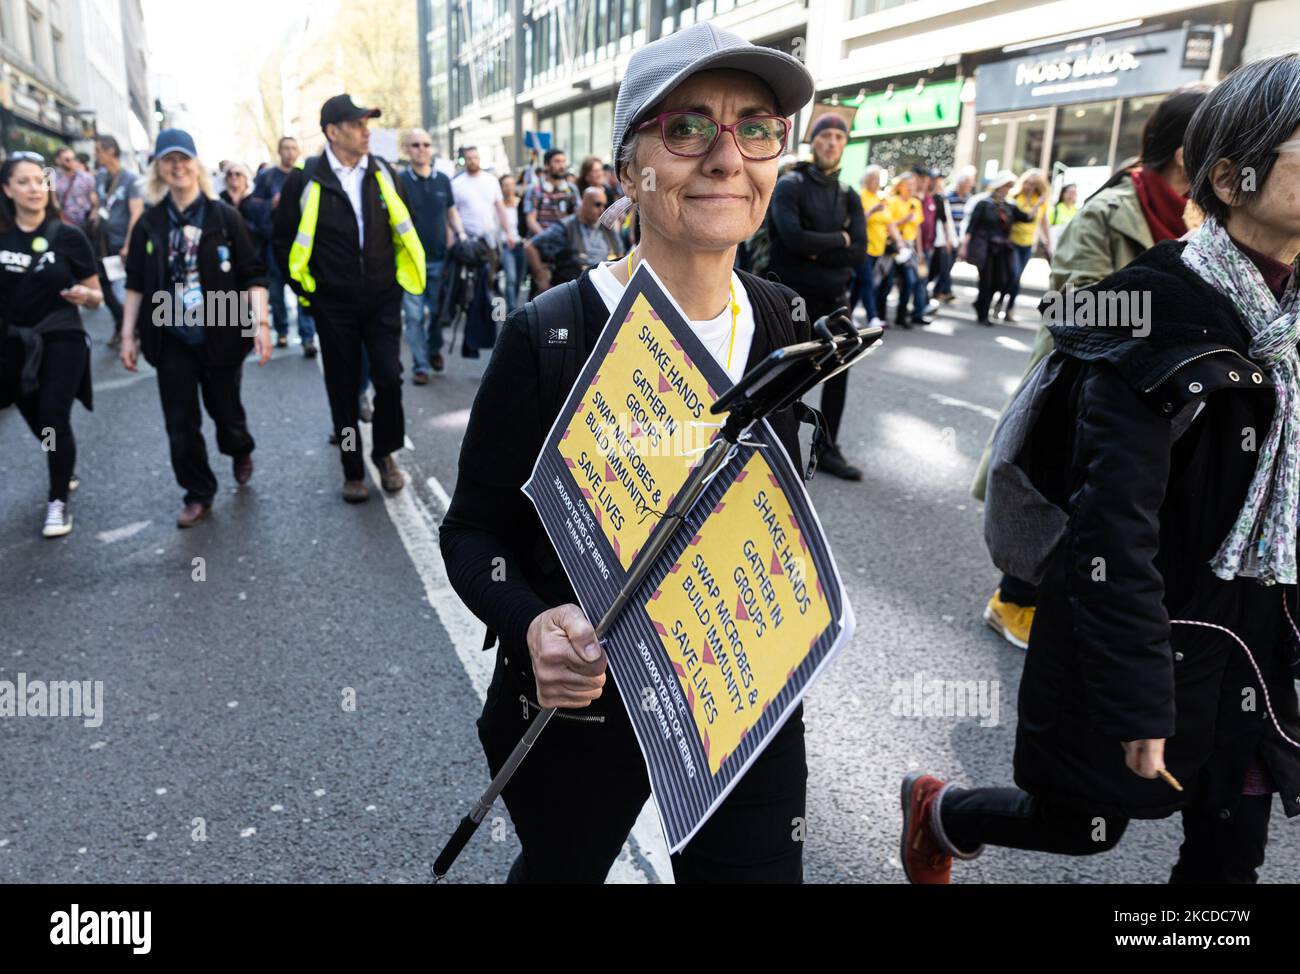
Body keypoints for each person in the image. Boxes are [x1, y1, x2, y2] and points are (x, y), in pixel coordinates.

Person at [903, 53, 1300, 886]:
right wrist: (1136, 698)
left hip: (1257, 635)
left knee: (1231, 852)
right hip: (1151, 630)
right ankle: (942, 811)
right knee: (1081, 826)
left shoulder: (1290, 318)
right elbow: (1112, 530)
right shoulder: (1147, 302)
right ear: (1231, 176)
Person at [441, 21, 823, 884]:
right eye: (687, 126)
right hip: (586, 710)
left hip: (743, 694)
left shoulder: (784, 320)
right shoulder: (550, 336)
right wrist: (533, 624)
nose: (727, 158)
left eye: (756, 126)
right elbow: (471, 533)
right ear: (626, 168)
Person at [972, 87, 1210, 649]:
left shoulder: (1204, 216)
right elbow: (1071, 307)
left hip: (1164, 390)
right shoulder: (1111, 209)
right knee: (1055, 493)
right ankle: (1013, 600)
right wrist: (1171, 316)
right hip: (1086, 384)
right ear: (1183, 152)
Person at [272, 94, 426, 503]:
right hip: (333, 306)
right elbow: (283, 240)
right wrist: (309, 293)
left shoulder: (383, 172)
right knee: (342, 391)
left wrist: (395, 283)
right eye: (357, 124)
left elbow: (403, 228)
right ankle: (352, 469)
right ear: (333, 132)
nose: (366, 131)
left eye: (367, 123)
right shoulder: (304, 179)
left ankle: (385, 454)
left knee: (389, 378)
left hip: (381, 300)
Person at [118, 129, 271, 528]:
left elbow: (254, 273)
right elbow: (135, 282)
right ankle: (198, 493)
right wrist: (127, 335)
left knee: (226, 413)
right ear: (158, 169)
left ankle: (239, 448)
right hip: (170, 334)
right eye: (168, 160)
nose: (177, 167)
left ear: (196, 165)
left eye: (184, 159)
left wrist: (262, 325)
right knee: (180, 421)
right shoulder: (151, 223)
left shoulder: (224, 217)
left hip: (222, 328)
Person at [0, 152, 102, 537]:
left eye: (39, 180)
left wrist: (84, 295)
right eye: (23, 181)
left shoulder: (69, 235)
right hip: (13, 344)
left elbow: (97, 295)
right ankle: (62, 460)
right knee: (43, 422)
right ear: (7, 188)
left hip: (62, 335)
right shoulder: (2, 237)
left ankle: (57, 501)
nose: (33, 188)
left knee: (54, 415)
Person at [766, 112, 866, 481]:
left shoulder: (847, 194)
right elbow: (791, 239)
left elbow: (860, 250)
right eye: (826, 136)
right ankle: (778, 444)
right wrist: (837, 239)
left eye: (840, 137)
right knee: (789, 375)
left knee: (839, 371)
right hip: (792, 298)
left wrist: (817, 248)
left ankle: (828, 448)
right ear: (814, 141)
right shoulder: (790, 184)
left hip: (835, 297)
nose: (832, 142)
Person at [400, 128, 463, 383]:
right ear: (407, 149)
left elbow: (451, 211)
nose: (421, 149)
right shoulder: (399, 180)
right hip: (409, 261)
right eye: (415, 145)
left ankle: (434, 348)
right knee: (414, 316)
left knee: (437, 312)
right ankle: (420, 366)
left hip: (439, 259)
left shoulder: (443, 180)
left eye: (426, 144)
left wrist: (462, 235)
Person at [253, 136, 316, 356]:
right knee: (277, 292)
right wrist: (272, 203)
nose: (289, 152)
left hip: (301, 244)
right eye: (286, 148)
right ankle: (281, 331)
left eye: (293, 148)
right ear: (279, 151)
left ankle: (307, 337)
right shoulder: (268, 177)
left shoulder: (305, 175)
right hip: (274, 244)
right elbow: (253, 205)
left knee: (304, 290)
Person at [450, 147, 515, 354]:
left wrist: (509, 233)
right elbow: (451, 214)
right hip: (468, 244)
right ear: (464, 160)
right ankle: (473, 335)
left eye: (475, 157)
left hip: (490, 244)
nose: (472, 161)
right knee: (468, 291)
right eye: (469, 158)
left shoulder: (490, 180)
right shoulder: (457, 183)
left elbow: (500, 209)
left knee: (491, 287)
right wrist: (454, 239)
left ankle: (496, 327)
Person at [958, 171, 1032, 326]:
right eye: (1006, 186)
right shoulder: (983, 204)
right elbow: (971, 227)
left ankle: (980, 304)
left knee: (1003, 280)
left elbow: (1027, 217)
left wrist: (1034, 199)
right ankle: (983, 314)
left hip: (1002, 250)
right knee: (986, 281)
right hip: (985, 249)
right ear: (999, 186)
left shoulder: (1009, 206)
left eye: (1010, 187)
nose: (1007, 189)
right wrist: (964, 247)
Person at [93, 134, 143, 344]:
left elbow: (136, 213)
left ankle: (134, 328)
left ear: (111, 151)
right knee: (104, 284)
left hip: (120, 243)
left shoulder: (131, 179)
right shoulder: (100, 178)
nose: (96, 155)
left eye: (99, 150)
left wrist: (128, 244)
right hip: (102, 243)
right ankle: (120, 322)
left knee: (123, 287)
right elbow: (99, 205)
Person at [528, 186, 626, 287]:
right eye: (597, 205)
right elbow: (530, 246)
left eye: (604, 205)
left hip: (603, 285)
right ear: (584, 204)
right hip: (574, 287)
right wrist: (541, 277)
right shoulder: (566, 227)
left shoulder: (607, 228)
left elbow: (619, 253)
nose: (602, 210)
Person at [1001, 169, 1052, 322]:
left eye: (1034, 184)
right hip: (1012, 243)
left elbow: (1044, 223)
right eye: (1028, 183)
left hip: (1028, 244)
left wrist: (1048, 243)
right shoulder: (1015, 197)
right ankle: (1000, 303)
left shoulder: (1041, 201)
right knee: (1013, 275)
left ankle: (1009, 309)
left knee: (1017, 277)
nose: (1030, 186)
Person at [876, 172, 923, 327]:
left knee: (910, 281)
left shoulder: (916, 203)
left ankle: (902, 316)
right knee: (887, 282)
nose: (911, 188)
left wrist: (920, 250)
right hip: (894, 246)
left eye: (913, 185)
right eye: (908, 185)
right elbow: (888, 224)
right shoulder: (892, 201)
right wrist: (904, 220)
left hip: (909, 247)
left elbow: (918, 228)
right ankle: (880, 316)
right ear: (900, 186)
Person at [851, 165, 890, 328]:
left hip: (878, 248)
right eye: (874, 178)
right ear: (867, 180)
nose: (877, 182)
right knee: (867, 282)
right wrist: (873, 211)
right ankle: (872, 317)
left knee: (859, 285)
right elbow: (858, 222)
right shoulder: (861, 197)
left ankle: (848, 314)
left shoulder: (881, 198)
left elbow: (889, 222)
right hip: (863, 247)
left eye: (878, 179)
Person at [522, 148, 576, 238]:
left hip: (564, 241)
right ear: (546, 165)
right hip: (540, 243)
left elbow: (577, 214)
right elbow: (531, 220)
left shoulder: (571, 189)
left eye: (563, 161)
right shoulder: (534, 189)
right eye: (557, 162)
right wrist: (546, 238)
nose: (562, 166)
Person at [926, 174, 957, 307]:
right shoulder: (924, 197)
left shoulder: (939, 198)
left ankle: (942, 291)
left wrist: (948, 239)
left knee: (938, 268)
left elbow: (945, 220)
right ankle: (943, 291)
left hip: (937, 241)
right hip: (926, 241)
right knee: (929, 271)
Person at [52, 146, 97, 230]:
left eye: (73, 158)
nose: (71, 162)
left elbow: (94, 202)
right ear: (58, 160)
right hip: (62, 222)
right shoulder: (52, 178)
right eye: (67, 159)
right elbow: (53, 202)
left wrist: (92, 219)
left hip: (83, 224)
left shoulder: (86, 178)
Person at [498, 173, 525, 312]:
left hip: (520, 245)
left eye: (511, 184)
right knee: (511, 278)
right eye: (505, 185)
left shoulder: (520, 204)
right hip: (506, 246)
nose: (509, 188)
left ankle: (513, 304)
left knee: (519, 279)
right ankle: (512, 309)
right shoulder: (498, 206)